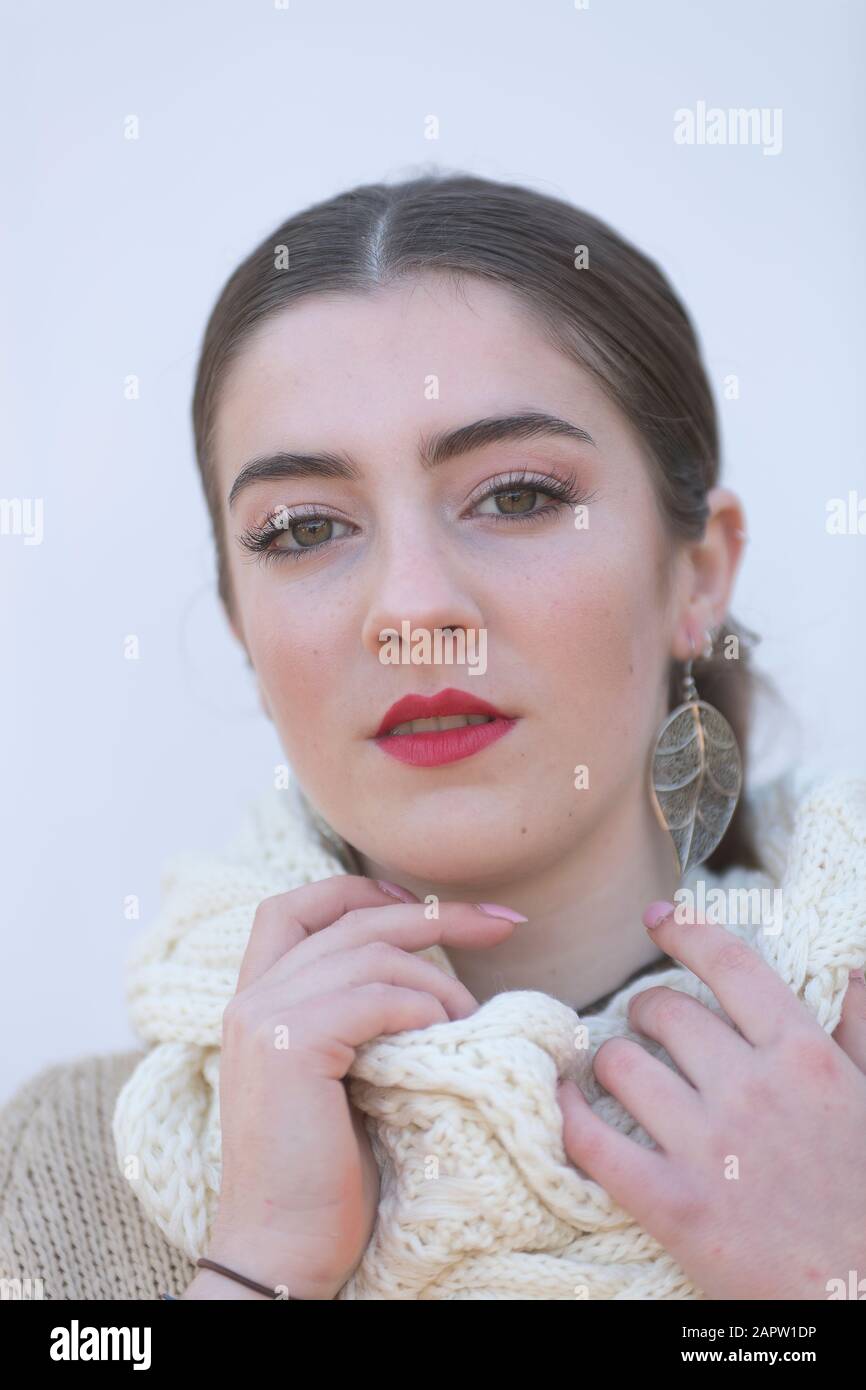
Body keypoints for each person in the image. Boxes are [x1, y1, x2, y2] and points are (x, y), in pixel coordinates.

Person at [2, 172, 864, 1301]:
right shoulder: (63, 1163)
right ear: (243, 629)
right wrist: (258, 1265)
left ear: (694, 575)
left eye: (513, 496)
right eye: (303, 528)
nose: (410, 610)